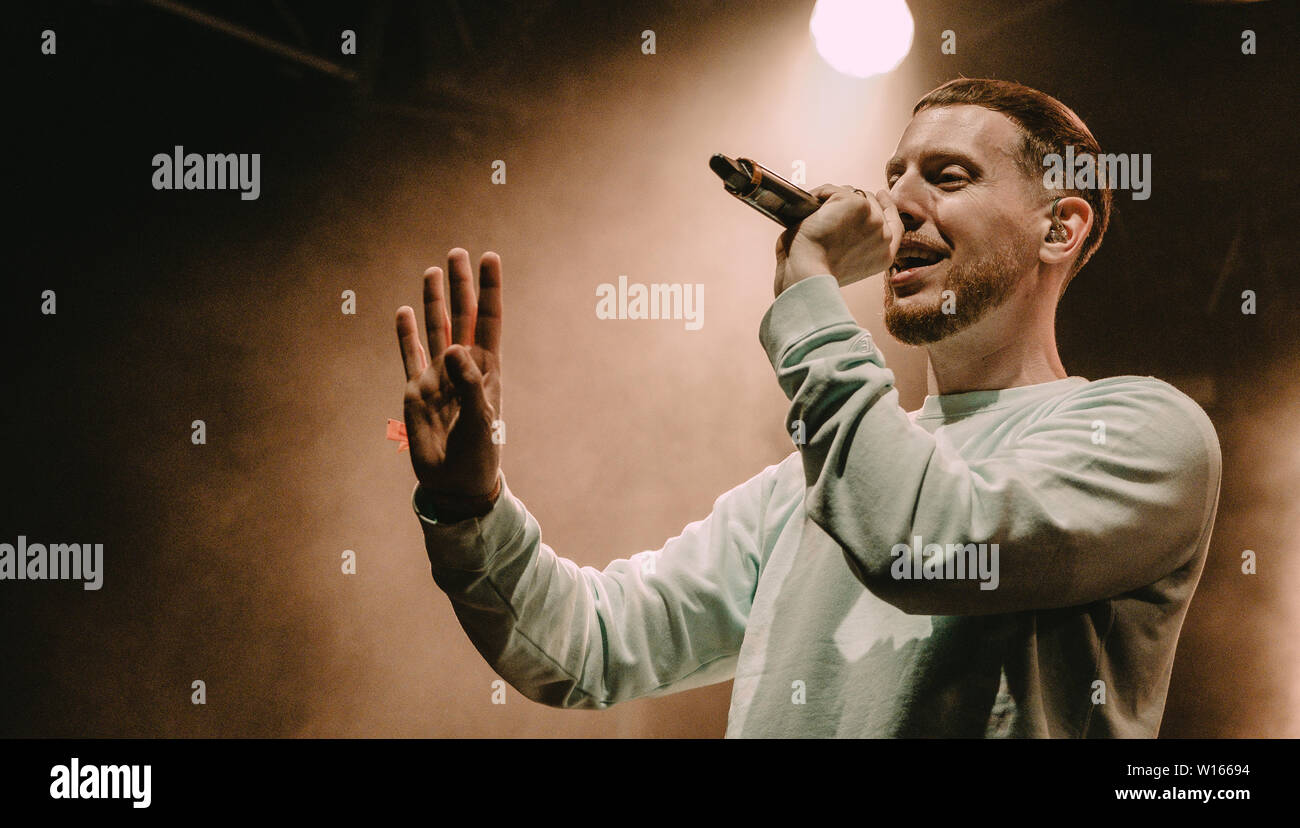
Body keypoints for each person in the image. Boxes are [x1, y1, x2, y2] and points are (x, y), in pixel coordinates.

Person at [393, 78, 1221, 737]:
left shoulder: (1145, 432)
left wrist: (809, 297)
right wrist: (469, 506)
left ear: (1059, 227)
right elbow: (589, 649)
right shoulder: (808, 489)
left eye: (948, 176)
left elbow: (924, 547)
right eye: (894, 175)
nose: (899, 204)